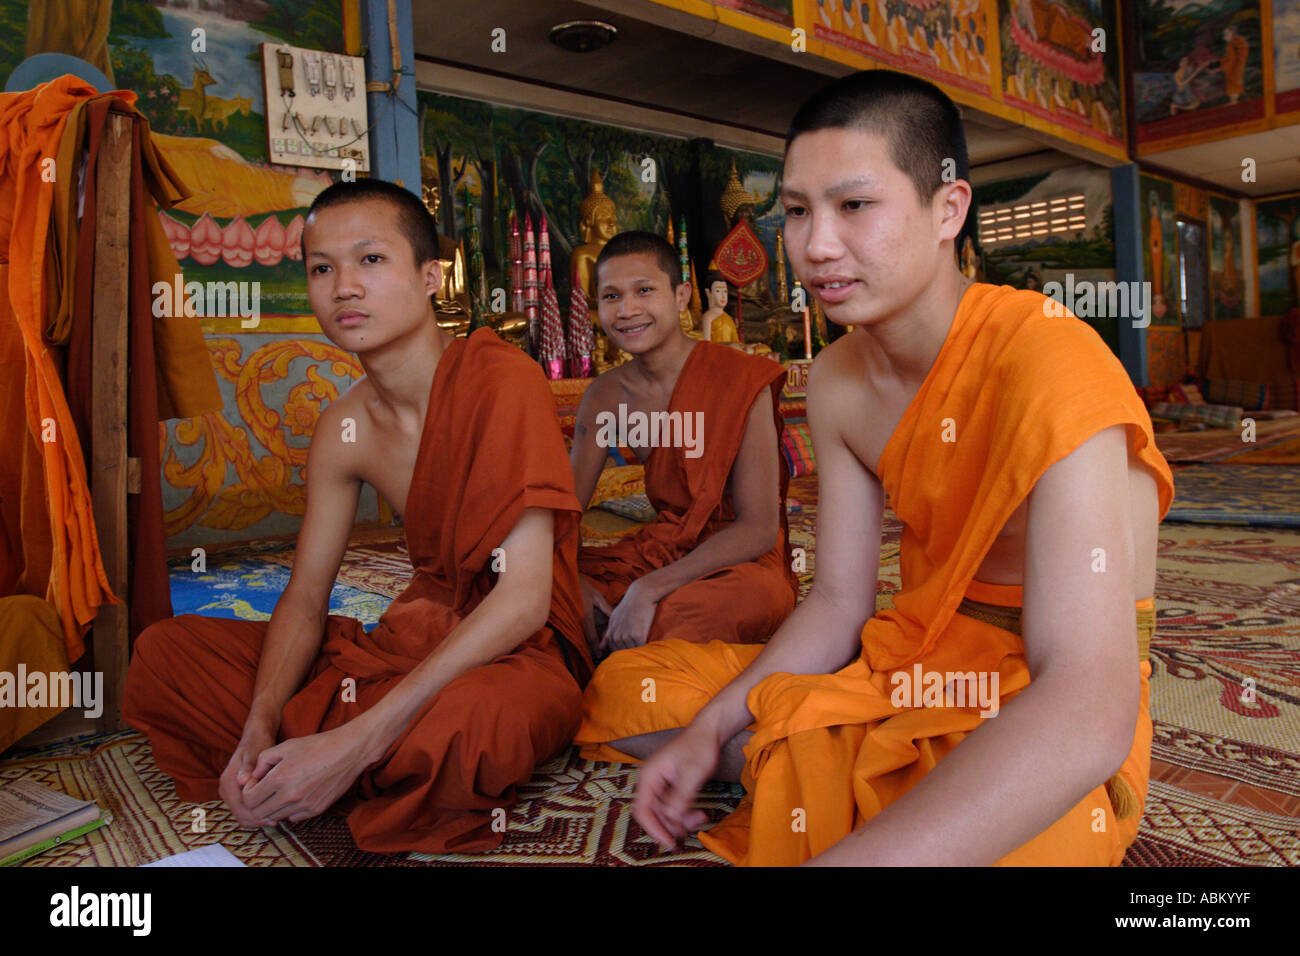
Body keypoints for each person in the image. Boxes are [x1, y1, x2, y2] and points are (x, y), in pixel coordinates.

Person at [575, 69, 1174, 866]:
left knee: (1042, 839)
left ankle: (847, 776)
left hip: (1043, 690)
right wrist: (714, 725)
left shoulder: (1048, 357)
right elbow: (839, 601)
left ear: (947, 210)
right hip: (909, 659)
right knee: (626, 692)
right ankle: (836, 764)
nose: (816, 246)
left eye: (855, 206)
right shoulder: (838, 379)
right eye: (795, 211)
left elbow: (1088, 700)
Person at [124, 179, 592, 854]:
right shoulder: (344, 429)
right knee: (165, 655)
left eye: (370, 260)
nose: (344, 286)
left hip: (514, 651)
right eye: (322, 268)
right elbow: (307, 600)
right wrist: (257, 727)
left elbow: (522, 602)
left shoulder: (500, 379)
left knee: (477, 726)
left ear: (431, 277)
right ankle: (345, 759)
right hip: (407, 644)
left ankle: (347, 759)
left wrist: (352, 739)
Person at [569, 231, 798, 661]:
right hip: (663, 548)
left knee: (696, 610)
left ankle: (626, 655)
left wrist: (648, 590)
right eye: (611, 296)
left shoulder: (740, 378)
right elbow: (564, 512)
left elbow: (759, 528)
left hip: (739, 562)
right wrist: (570, 583)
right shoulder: (605, 395)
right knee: (534, 598)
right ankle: (618, 649)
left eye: (644, 291)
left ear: (680, 296)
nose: (627, 310)